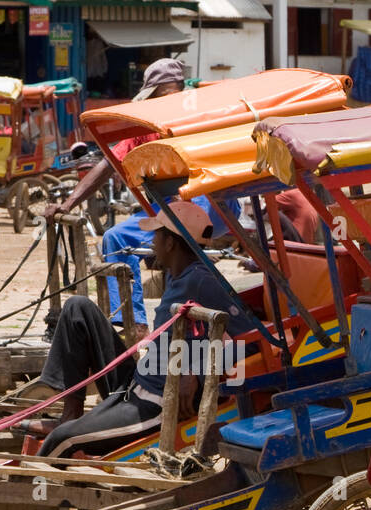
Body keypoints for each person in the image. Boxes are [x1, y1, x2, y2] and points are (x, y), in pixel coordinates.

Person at [26, 200, 253, 459]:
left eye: (156, 235)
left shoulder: (202, 280)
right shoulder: (176, 274)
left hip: (153, 402)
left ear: (170, 243)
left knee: (62, 441)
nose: (151, 242)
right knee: (78, 308)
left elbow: (247, 342)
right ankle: (71, 415)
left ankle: (37, 485)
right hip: (136, 381)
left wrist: (197, 374)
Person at [45, 58, 239, 336]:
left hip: (212, 203)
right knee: (115, 237)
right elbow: (107, 164)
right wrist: (66, 204)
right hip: (171, 210)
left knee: (177, 233)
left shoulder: (199, 116)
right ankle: (133, 324)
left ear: (170, 92)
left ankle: (170, 317)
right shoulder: (144, 128)